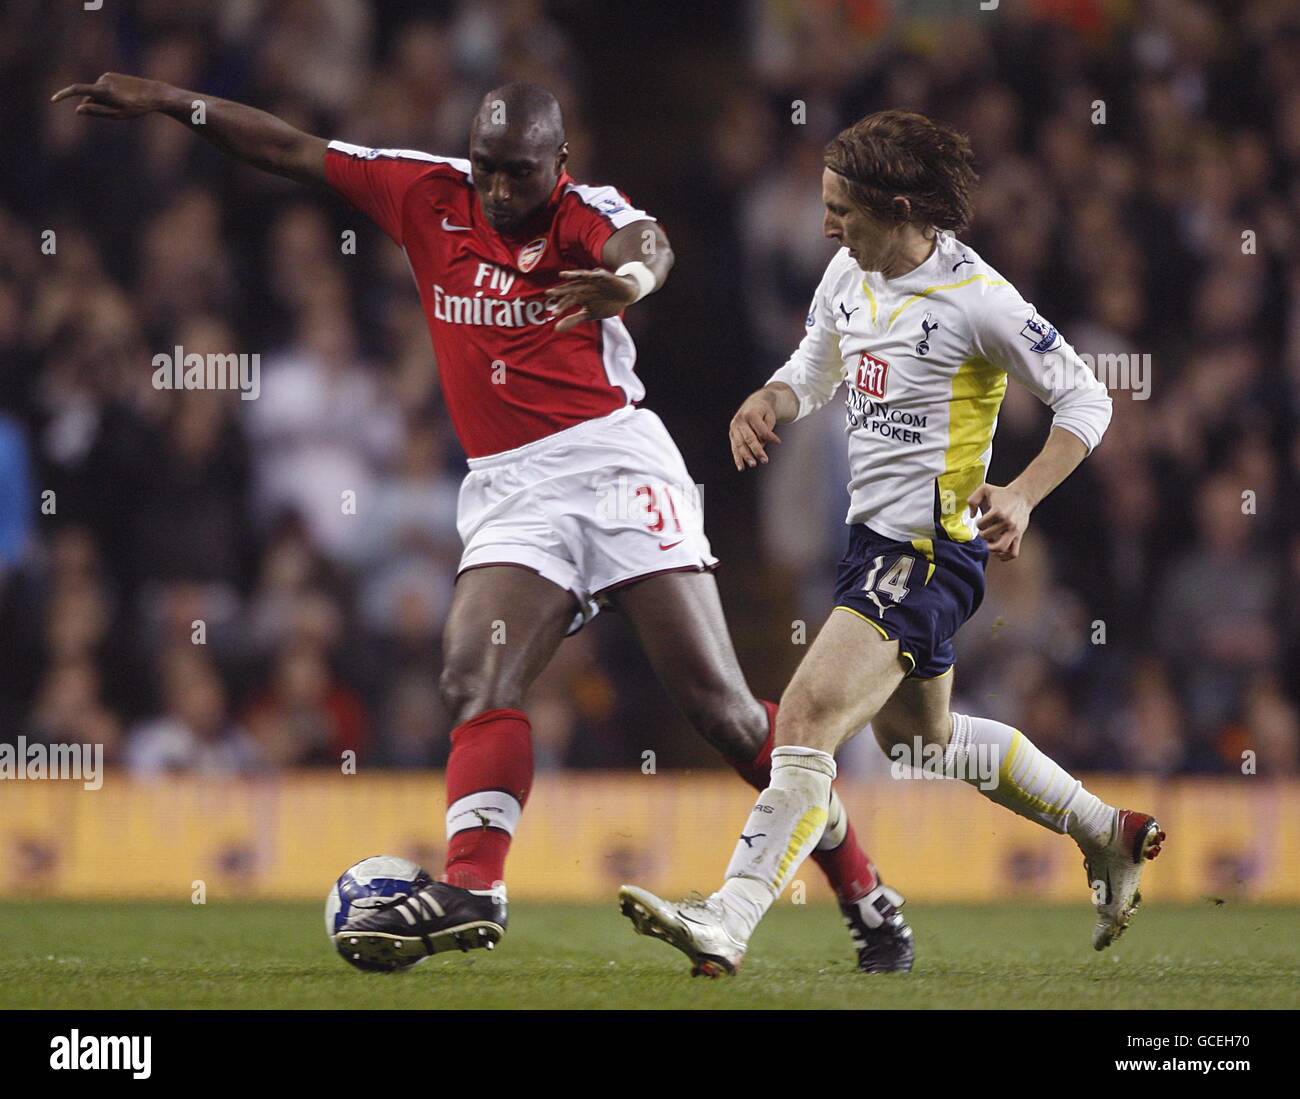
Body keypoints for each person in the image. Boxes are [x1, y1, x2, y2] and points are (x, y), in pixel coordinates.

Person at [53, 75, 914, 972]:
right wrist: (165, 101)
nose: (500, 192)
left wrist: (622, 281)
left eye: (521, 174)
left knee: (724, 712)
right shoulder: (426, 190)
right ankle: (474, 883)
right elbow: (290, 149)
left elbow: (647, 244)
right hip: (512, 489)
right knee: (471, 673)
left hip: (616, 464)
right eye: (489, 170)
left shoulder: (587, 211)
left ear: (560, 163)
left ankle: (865, 890)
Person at [619, 110, 1165, 976]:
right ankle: (1109, 832)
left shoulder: (979, 301)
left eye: (841, 207)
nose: (826, 222)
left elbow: (1087, 401)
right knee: (921, 743)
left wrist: (1021, 494)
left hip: (926, 556)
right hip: (870, 546)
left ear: (900, 205)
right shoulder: (846, 269)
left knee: (803, 717)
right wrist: (774, 397)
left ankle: (728, 915)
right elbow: (817, 363)